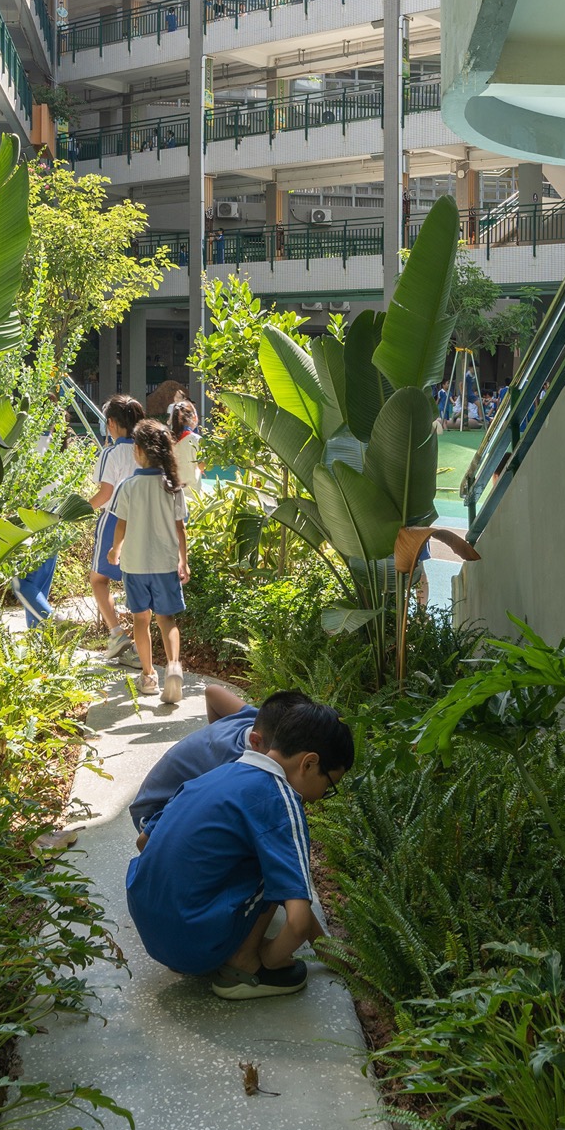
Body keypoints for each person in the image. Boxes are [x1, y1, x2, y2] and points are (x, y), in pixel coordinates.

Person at [126, 700, 355, 1000]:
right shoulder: (281, 800)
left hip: (150, 929)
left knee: (260, 852)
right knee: (274, 858)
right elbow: (298, 923)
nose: (324, 796)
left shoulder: (217, 773)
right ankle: (244, 965)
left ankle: (201, 938)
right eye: (330, 785)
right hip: (194, 946)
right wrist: (272, 957)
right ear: (309, 763)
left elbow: (144, 841)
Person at [129, 687, 312, 845]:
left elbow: (212, 692)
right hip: (153, 810)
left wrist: (214, 737)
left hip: (175, 792)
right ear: (255, 742)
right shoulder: (234, 768)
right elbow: (147, 842)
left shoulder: (258, 719)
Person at [107, 418, 190, 703]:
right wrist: (184, 561)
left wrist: (115, 550)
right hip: (165, 564)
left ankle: (149, 675)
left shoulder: (128, 486)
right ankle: (175, 666)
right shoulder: (173, 487)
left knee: (140, 621)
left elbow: (121, 525)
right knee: (167, 619)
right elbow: (181, 528)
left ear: (140, 451)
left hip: (135, 565)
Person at [88, 394, 144, 664]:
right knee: (137, 583)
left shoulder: (111, 453)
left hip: (114, 520)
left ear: (111, 423)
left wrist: (77, 510)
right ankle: (139, 646)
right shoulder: (147, 450)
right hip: (145, 521)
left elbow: (104, 494)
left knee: (98, 579)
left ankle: (117, 634)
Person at [169, 398, 203, 492]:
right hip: (192, 496)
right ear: (194, 418)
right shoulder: (196, 440)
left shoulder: (167, 439)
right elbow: (202, 466)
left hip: (173, 493)